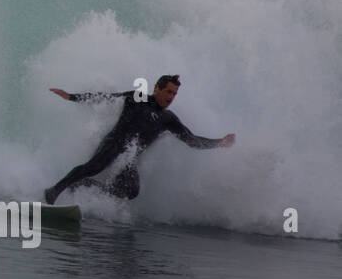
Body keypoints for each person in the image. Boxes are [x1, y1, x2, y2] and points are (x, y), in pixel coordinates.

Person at [43, 75, 234, 204]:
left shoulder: (168, 119)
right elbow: (106, 98)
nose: (171, 97)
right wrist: (71, 97)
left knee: (131, 191)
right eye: (168, 92)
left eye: (174, 94)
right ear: (157, 88)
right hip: (113, 143)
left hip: (129, 157)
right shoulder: (138, 97)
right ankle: (53, 191)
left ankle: (87, 186)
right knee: (93, 167)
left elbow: (191, 140)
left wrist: (219, 142)